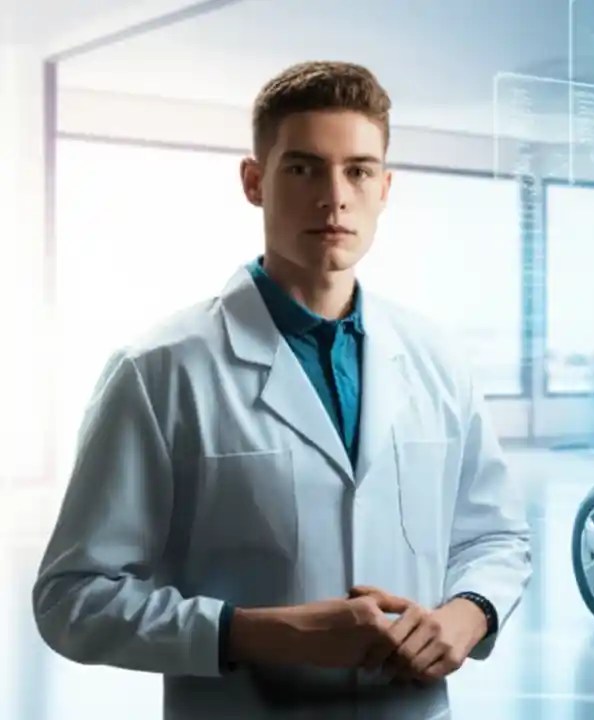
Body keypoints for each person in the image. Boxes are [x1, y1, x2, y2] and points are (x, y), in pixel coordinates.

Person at [31, 60, 532, 720]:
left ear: (385, 188)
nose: (334, 196)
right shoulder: (158, 372)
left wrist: (469, 615)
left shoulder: (439, 358)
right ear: (253, 181)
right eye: (303, 168)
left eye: (357, 170)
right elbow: (74, 598)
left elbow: (496, 537)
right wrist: (265, 634)